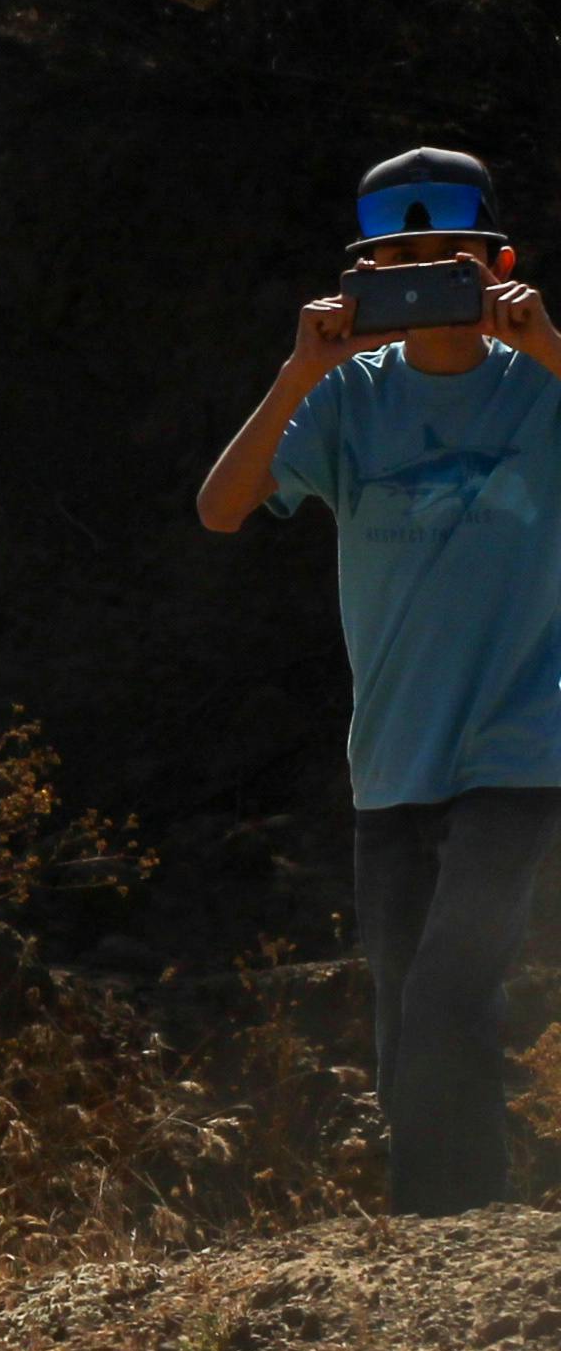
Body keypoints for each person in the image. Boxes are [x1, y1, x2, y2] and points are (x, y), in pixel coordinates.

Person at [197, 144, 561, 1213]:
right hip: (394, 760)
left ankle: (466, 1232)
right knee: (407, 1014)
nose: (423, 276)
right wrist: (297, 370)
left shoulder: (542, 384)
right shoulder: (347, 399)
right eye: (397, 259)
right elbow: (222, 508)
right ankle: (446, 1234)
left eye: (445, 256)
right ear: (360, 274)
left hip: (523, 745)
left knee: (453, 984)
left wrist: (544, 340)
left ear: (496, 260)